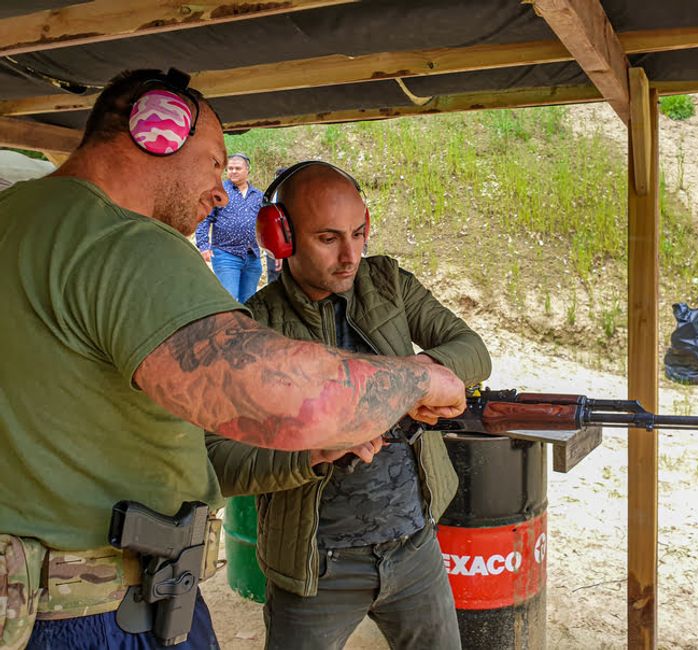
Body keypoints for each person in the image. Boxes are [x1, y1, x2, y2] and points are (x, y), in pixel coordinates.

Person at [0, 70, 466, 650]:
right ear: (158, 132)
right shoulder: (122, 242)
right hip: (100, 608)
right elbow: (294, 402)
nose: (221, 191)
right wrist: (418, 377)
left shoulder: (16, 215)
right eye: (214, 163)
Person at [206, 161, 492, 650]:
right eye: (328, 238)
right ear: (281, 238)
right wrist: (309, 453)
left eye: (359, 234)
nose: (350, 256)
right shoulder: (254, 327)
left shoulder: (388, 283)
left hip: (415, 547)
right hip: (315, 566)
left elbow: (472, 350)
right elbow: (217, 461)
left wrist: (412, 378)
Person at [194, 152, 263, 302]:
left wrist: (274, 251)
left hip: (252, 256)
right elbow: (204, 219)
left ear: (247, 170)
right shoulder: (218, 192)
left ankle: (246, 319)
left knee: (250, 301)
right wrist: (204, 245)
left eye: (237, 168)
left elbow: (266, 223)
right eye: (230, 168)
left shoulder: (258, 195)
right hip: (226, 254)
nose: (233, 171)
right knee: (229, 299)